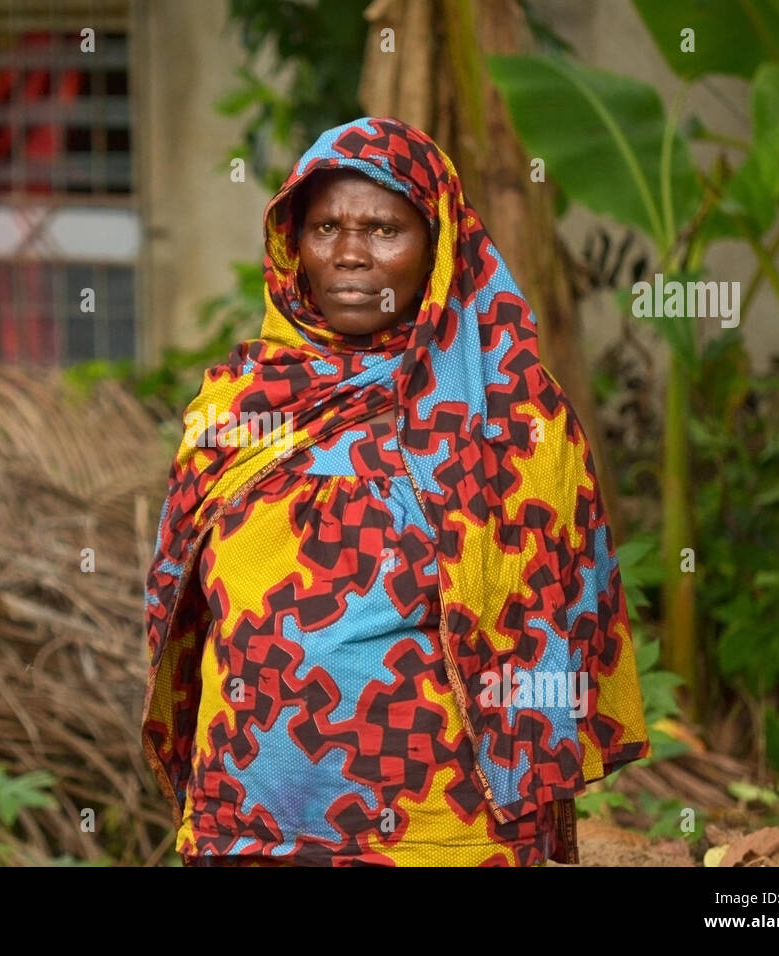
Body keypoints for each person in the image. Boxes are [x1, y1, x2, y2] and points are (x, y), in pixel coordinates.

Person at [141, 116, 650, 866]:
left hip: (439, 829)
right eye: (325, 228)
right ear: (293, 244)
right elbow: (182, 610)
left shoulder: (510, 415)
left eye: (383, 229)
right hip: (246, 818)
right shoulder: (240, 407)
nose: (349, 254)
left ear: (438, 248)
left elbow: (560, 623)